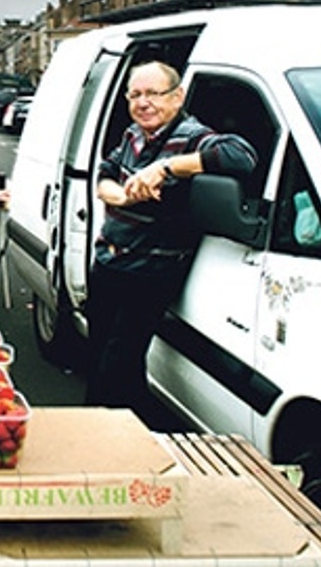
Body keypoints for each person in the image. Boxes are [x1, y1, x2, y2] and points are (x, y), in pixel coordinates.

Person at [85, 60, 257, 415]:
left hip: (149, 271)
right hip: (108, 261)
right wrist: (121, 196)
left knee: (113, 368)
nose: (142, 103)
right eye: (135, 95)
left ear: (177, 97)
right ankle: (133, 429)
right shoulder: (133, 134)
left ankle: (96, 435)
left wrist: (165, 168)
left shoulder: (192, 136)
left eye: (153, 93)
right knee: (102, 355)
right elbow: (105, 174)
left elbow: (242, 156)